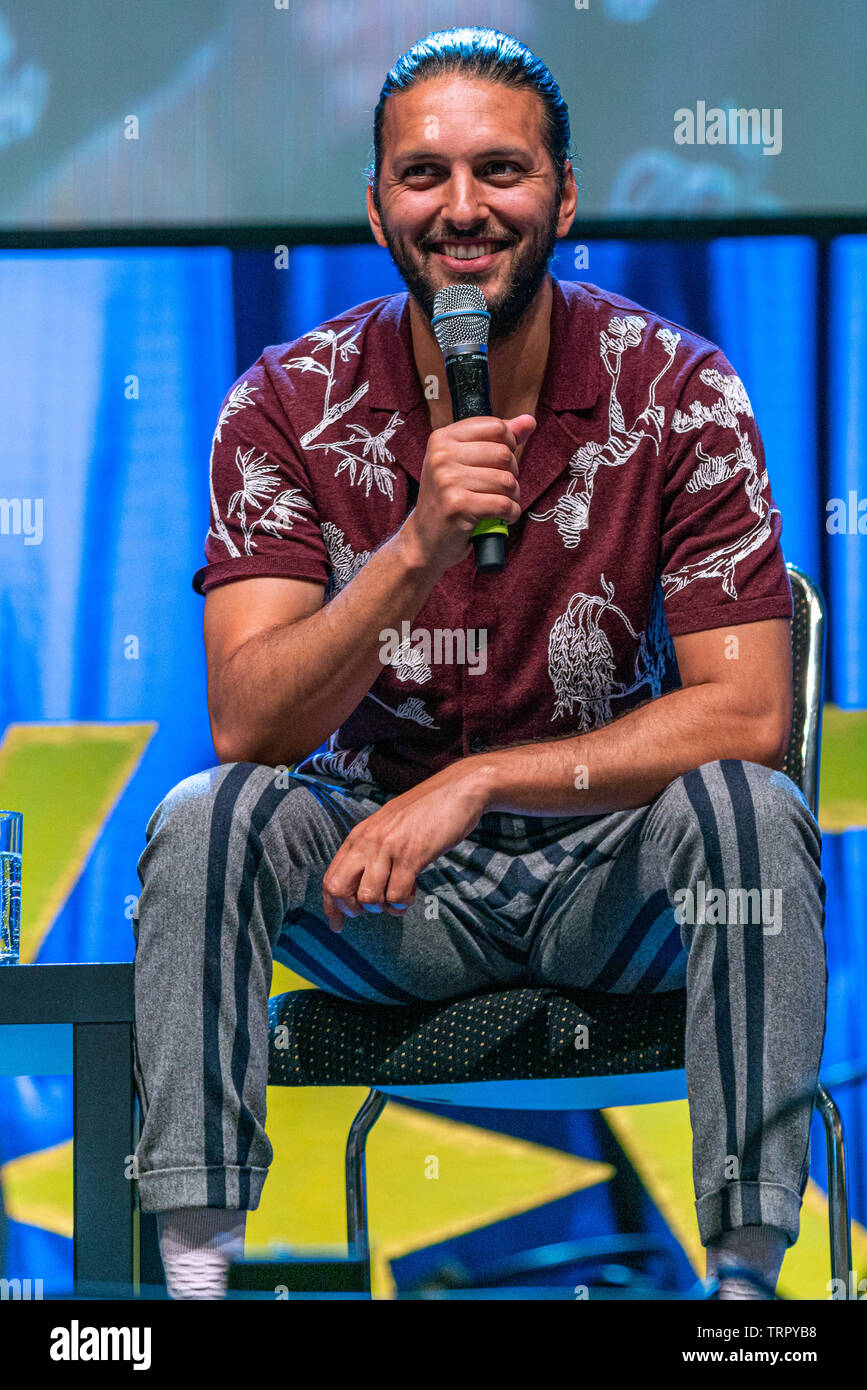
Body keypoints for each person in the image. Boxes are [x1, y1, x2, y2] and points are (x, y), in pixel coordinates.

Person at [131, 27, 827, 1300]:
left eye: (500, 172)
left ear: (564, 195)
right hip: (381, 902)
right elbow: (250, 721)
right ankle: (194, 1281)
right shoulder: (284, 404)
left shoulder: (681, 391)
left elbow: (751, 713)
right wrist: (413, 546)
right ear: (376, 207)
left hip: (611, 886)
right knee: (205, 815)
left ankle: (742, 1293)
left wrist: (482, 778)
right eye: (424, 175)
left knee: (751, 808)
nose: (462, 208)